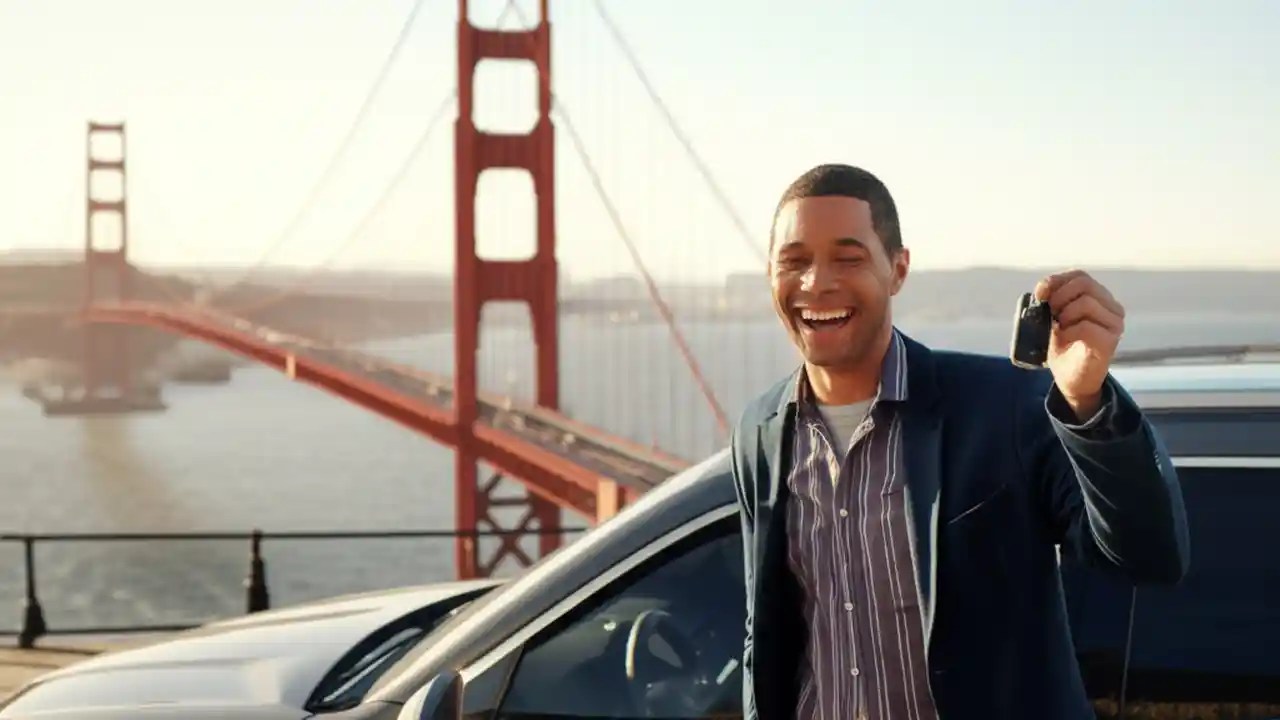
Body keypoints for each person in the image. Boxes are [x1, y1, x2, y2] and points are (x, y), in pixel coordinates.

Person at [729, 163, 1190, 719]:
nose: (817, 283)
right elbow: (766, 632)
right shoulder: (759, 429)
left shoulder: (1005, 407)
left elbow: (1149, 556)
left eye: (848, 258)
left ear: (897, 269)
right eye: (794, 262)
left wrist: (1086, 400)